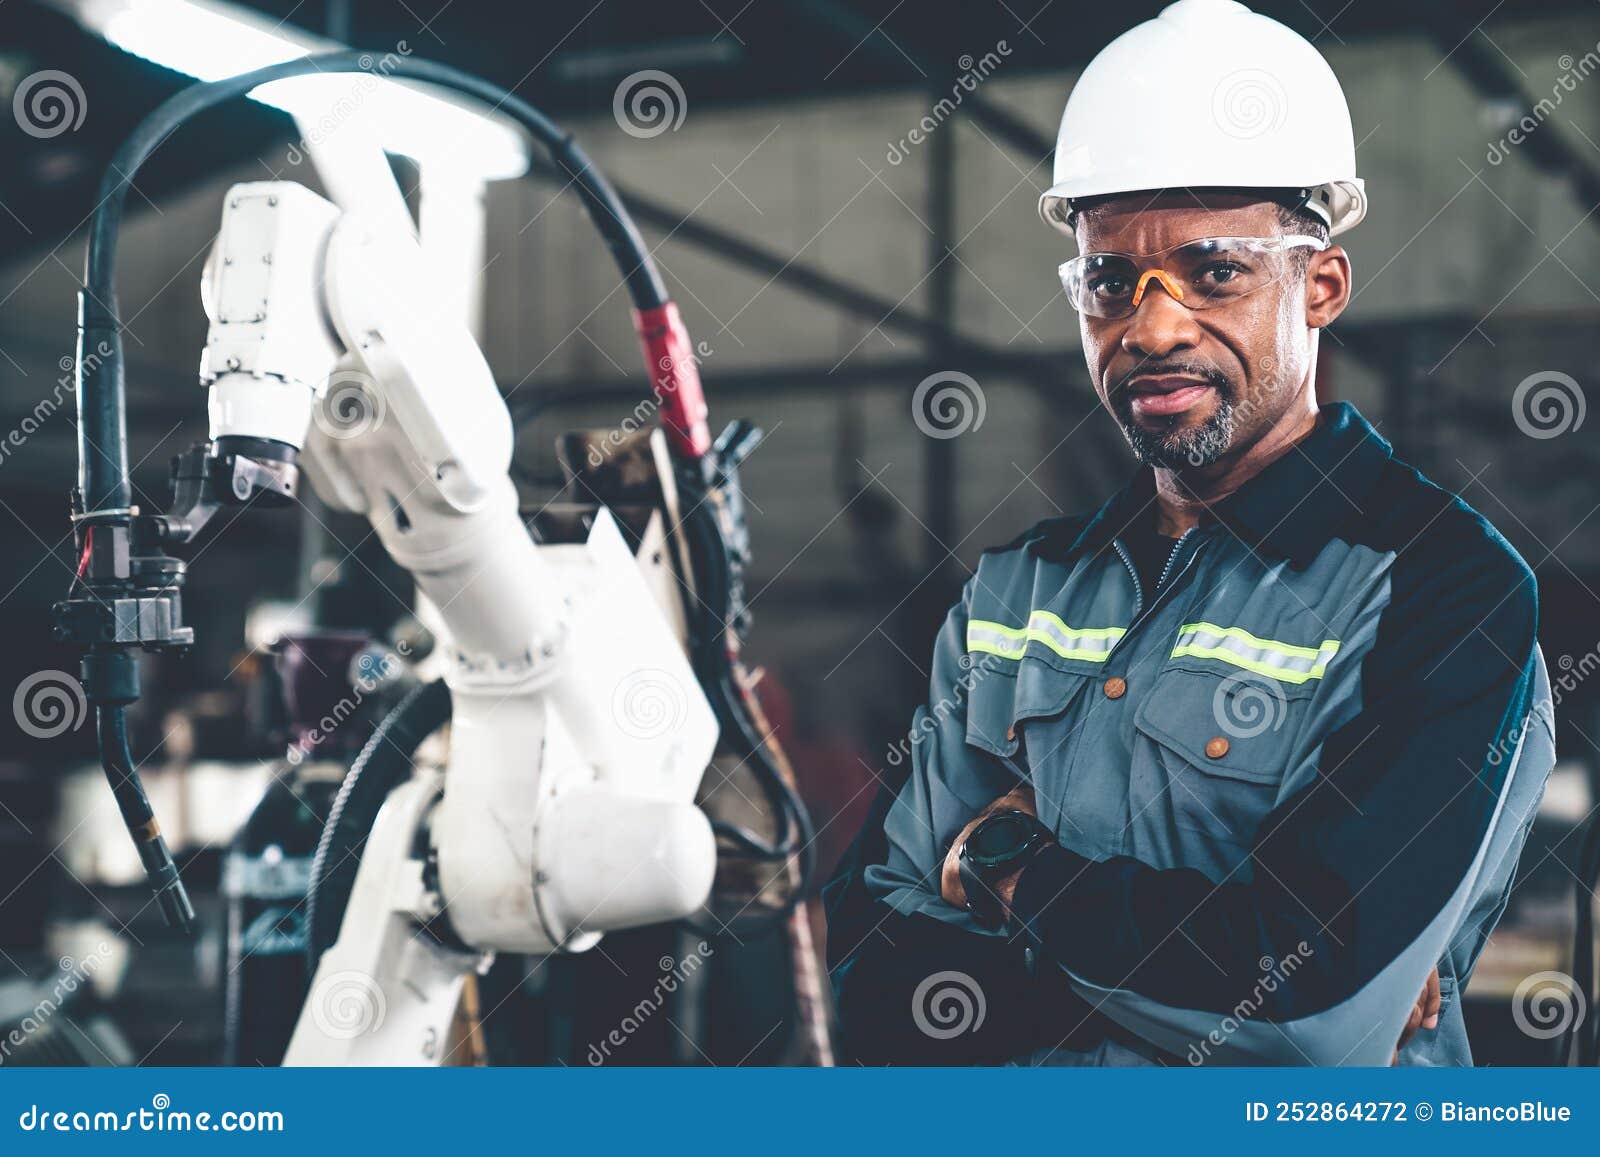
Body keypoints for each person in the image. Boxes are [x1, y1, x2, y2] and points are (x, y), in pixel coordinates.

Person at [825, 0, 1554, 1066]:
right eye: (1111, 282)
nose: (1153, 326)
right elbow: (869, 966)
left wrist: (1001, 866)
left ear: (1321, 284)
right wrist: (1186, 971)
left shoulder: (1439, 588)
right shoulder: (1015, 590)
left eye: (1215, 271)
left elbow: (1307, 1008)